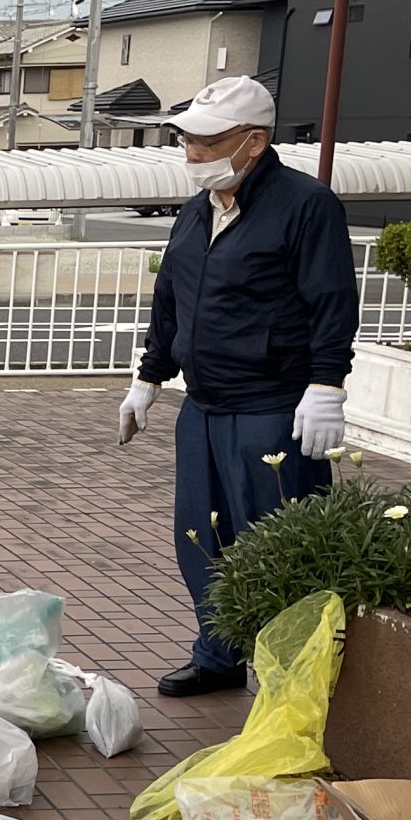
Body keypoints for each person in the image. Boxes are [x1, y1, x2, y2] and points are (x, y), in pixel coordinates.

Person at [120, 76, 356, 695]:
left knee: (275, 543)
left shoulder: (305, 205)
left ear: (253, 142)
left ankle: (294, 674)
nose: (192, 154)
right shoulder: (196, 211)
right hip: (202, 404)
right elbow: (170, 301)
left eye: (205, 142)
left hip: (271, 405)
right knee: (202, 536)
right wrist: (148, 378)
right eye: (186, 141)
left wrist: (326, 385)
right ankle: (219, 655)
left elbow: (331, 302)